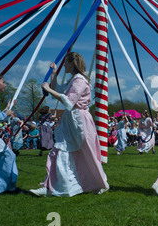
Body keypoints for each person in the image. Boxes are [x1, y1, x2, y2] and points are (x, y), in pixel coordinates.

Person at [30, 52, 109, 197]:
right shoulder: (74, 79)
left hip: (78, 120)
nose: (64, 65)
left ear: (73, 63)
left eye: (66, 62)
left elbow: (68, 101)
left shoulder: (79, 81)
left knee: (88, 153)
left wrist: (48, 90)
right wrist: (54, 74)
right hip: (71, 120)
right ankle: (51, 186)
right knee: (61, 150)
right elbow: (59, 89)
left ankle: (100, 182)